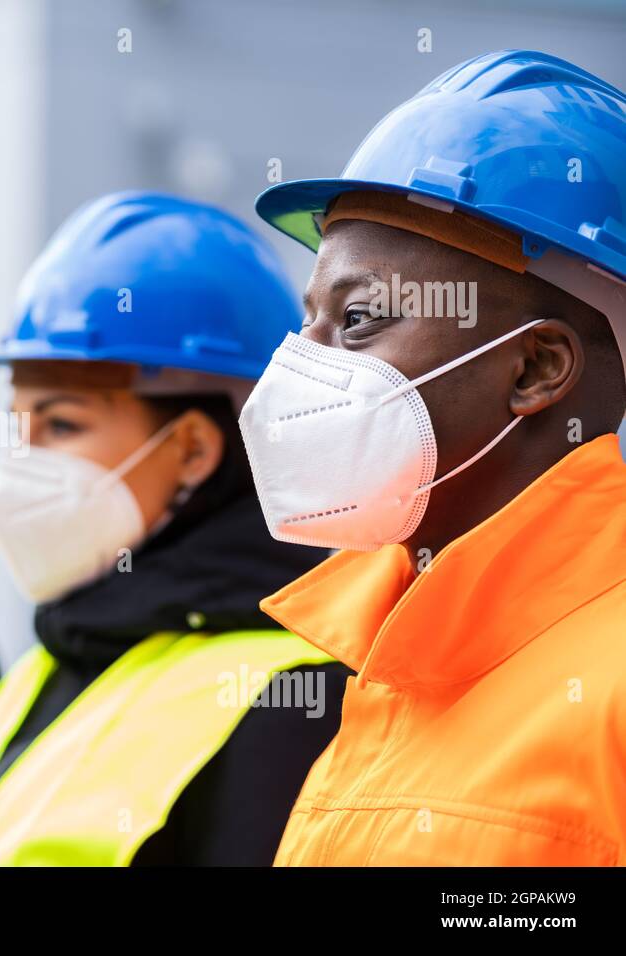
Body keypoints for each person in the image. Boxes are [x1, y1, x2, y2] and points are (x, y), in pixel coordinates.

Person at [246, 49, 626, 865]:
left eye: (357, 321)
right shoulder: (388, 661)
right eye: (308, 320)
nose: (296, 368)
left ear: (535, 369)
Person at [0, 192, 347, 866]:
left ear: (195, 450)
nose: (21, 462)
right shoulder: (49, 664)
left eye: (61, 425)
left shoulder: (292, 699)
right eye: (16, 425)